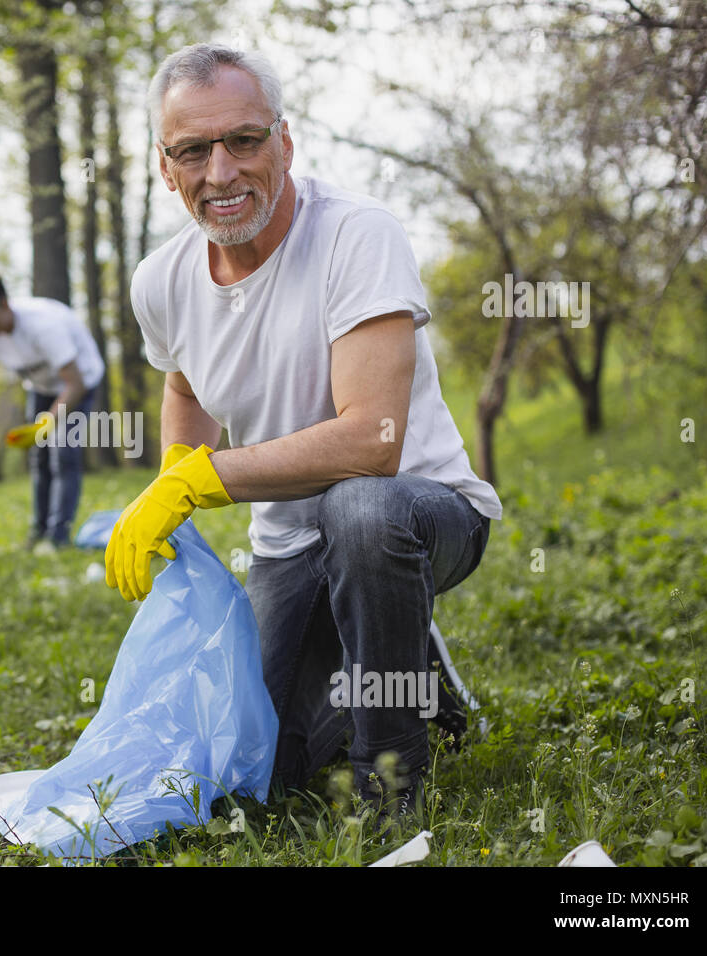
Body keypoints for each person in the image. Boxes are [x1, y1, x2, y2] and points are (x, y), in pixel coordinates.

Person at [105, 43, 503, 823]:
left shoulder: (357, 235)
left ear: (284, 142)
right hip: (287, 545)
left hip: (422, 516)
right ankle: (417, 674)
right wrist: (172, 484)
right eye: (193, 150)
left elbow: (371, 443)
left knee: (360, 511)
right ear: (165, 165)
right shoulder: (160, 279)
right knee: (259, 769)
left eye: (244, 141)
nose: (220, 172)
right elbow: (183, 382)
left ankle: (389, 778)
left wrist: (200, 480)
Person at [0, 276, 106, 547]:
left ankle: (58, 537)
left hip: (79, 383)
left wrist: (44, 425)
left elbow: (75, 383)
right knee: (39, 458)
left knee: (63, 456)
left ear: (4, 304)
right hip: (41, 386)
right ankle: (39, 531)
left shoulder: (43, 326)